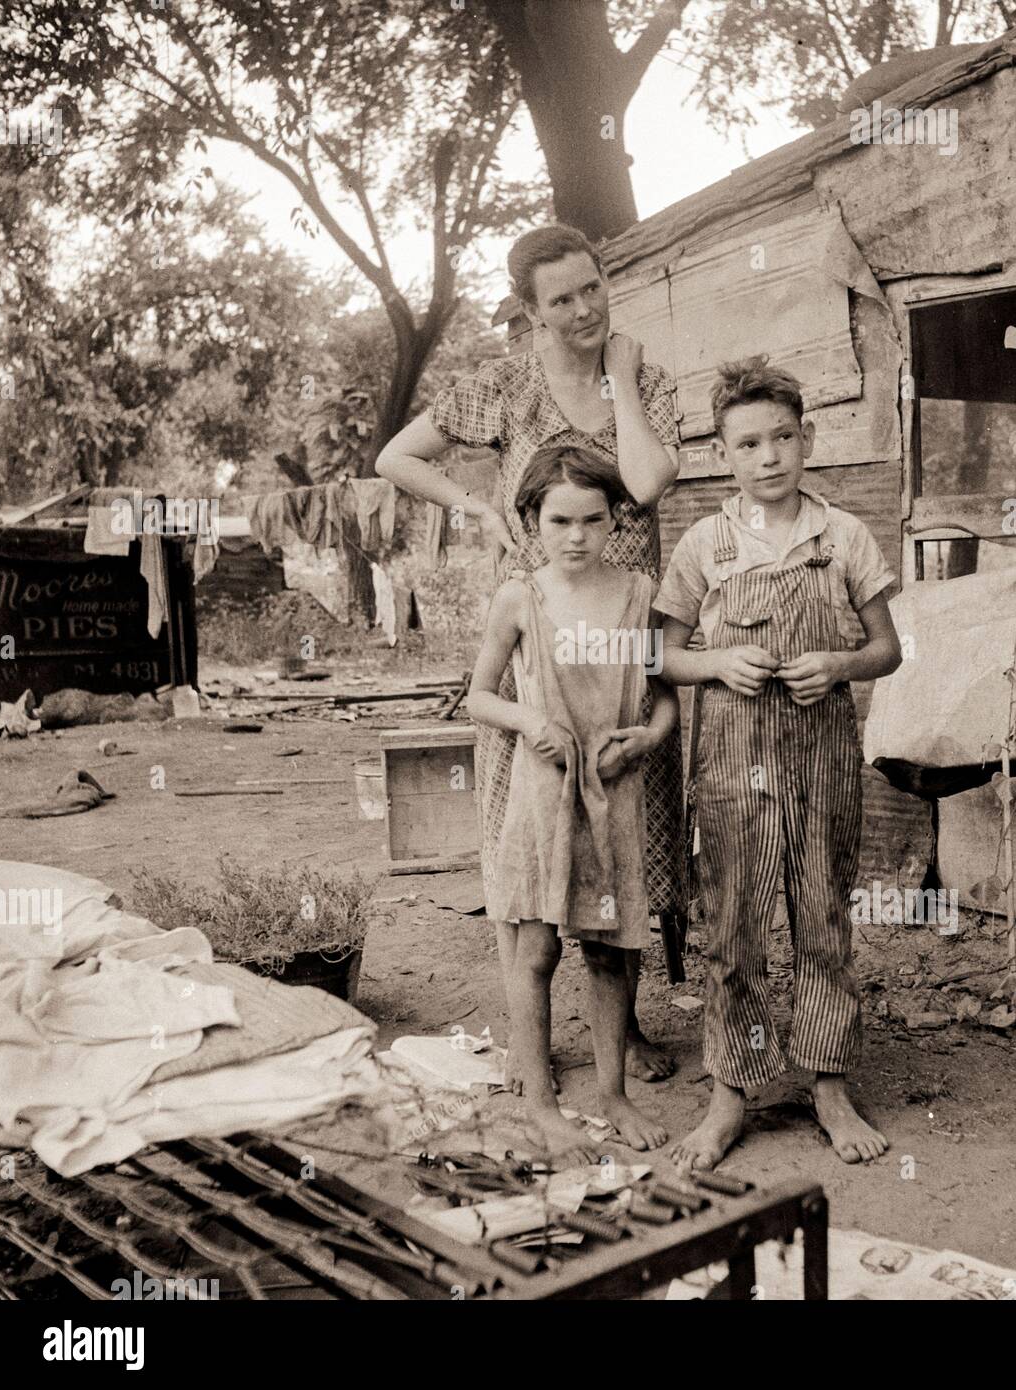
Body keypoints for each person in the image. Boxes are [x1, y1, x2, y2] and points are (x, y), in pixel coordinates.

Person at [375, 224, 684, 1089]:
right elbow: (395, 456)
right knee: (531, 832)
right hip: (538, 634)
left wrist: (616, 375)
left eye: (593, 288)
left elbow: (650, 483)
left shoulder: (647, 379)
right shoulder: (504, 387)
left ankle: (627, 1034)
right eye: (562, 299)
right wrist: (475, 508)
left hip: (625, 635)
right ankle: (530, 1039)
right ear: (529, 311)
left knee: (630, 826)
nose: (585, 309)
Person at [653, 356, 903, 1170]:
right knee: (731, 925)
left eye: (784, 438)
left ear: (808, 438)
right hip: (730, 763)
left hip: (822, 758)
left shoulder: (844, 537)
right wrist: (716, 664)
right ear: (723, 454)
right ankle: (732, 1093)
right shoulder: (706, 543)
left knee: (824, 916)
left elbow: (887, 650)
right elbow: (660, 658)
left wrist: (836, 664)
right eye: (750, 443)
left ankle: (828, 1082)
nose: (770, 457)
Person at [467, 444, 676, 1161]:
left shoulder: (637, 593)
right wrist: (530, 721)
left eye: (593, 519)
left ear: (616, 518)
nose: (577, 536)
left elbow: (668, 695)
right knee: (536, 947)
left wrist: (645, 740)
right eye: (560, 521)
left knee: (611, 951)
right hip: (542, 794)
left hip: (614, 792)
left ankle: (613, 1095)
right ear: (531, 520)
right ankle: (544, 1105)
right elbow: (479, 696)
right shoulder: (520, 598)